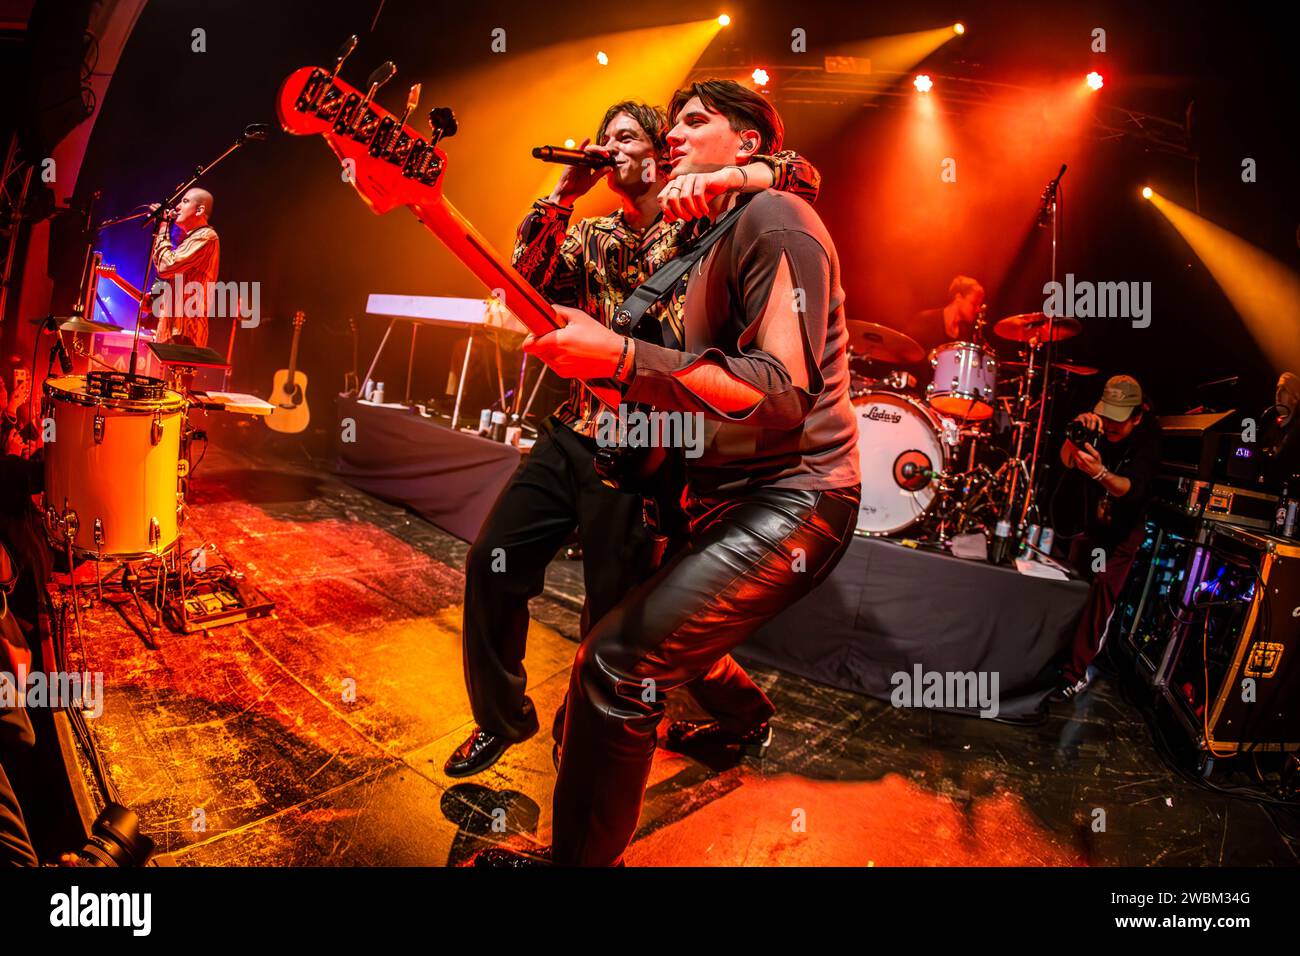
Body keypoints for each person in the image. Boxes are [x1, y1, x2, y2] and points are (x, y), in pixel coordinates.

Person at [478, 79, 860, 866]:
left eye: (693, 122)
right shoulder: (693, 239)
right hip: (698, 486)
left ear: (746, 146)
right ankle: (747, 720)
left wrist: (620, 357)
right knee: (656, 636)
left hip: (794, 495)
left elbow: (779, 391)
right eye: (671, 124)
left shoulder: (774, 214)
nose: (671, 136)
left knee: (613, 665)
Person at [1052, 374, 1163, 700]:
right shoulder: (1095, 424)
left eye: (1118, 421)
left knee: (1101, 591)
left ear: (1137, 415)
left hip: (1122, 528)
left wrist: (1100, 473)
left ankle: (1075, 673)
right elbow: (1065, 459)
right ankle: (1056, 657)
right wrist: (1077, 434)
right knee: (1075, 584)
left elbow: (1131, 489)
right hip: (1092, 523)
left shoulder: (1150, 438)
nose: (1109, 426)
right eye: (1106, 417)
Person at [149, 187, 220, 348]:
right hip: (172, 334)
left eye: (185, 201)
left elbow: (166, 266)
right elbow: (163, 265)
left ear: (200, 210)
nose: (178, 207)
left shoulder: (206, 236)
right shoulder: (190, 239)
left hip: (185, 336)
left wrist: (163, 227)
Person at [903, 275, 986, 354]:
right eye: (974, 303)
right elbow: (905, 351)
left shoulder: (965, 334)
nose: (978, 309)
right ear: (958, 298)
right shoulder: (925, 320)